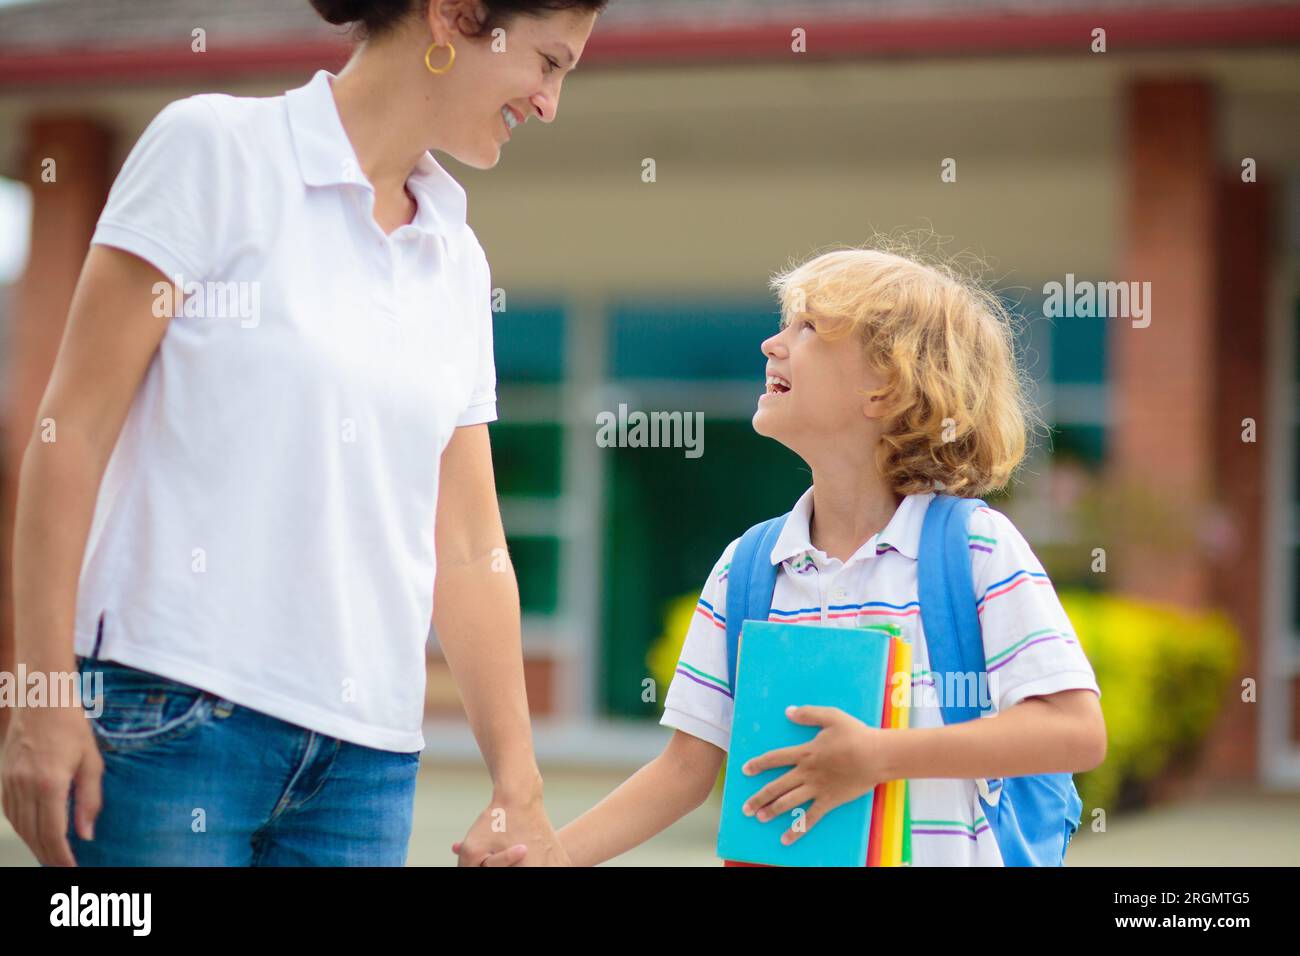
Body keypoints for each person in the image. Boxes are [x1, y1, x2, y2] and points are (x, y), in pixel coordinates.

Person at [1, 0, 604, 867]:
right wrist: (43, 692)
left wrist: (520, 783)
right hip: (171, 716)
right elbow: (73, 430)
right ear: (457, 17)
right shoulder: (213, 151)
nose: (550, 102)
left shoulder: (458, 260)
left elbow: (469, 545)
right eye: (548, 63)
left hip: (367, 766)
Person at [553, 244, 1107, 866]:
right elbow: (685, 769)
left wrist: (878, 758)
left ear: (886, 387)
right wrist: (543, 858)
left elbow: (1075, 732)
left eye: (809, 327)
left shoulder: (975, 549)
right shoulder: (749, 568)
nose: (772, 344)